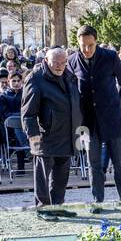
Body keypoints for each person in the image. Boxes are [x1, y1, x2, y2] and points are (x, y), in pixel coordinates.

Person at [67, 23, 121, 212]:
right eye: (83, 46)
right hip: (87, 121)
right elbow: (71, 88)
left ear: (96, 42)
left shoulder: (110, 56)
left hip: (112, 118)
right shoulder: (72, 61)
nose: (87, 49)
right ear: (78, 43)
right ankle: (98, 201)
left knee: (119, 162)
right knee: (94, 164)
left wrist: (117, 102)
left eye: (90, 45)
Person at [21, 47, 80, 214]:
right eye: (56, 63)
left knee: (61, 176)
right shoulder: (36, 78)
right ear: (46, 60)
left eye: (63, 62)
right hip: (45, 135)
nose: (59, 66)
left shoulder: (69, 75)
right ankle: (43, 208)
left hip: (67, 134)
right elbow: (27, 112)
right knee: (42, 176)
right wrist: (33, 135)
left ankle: (57, 206)